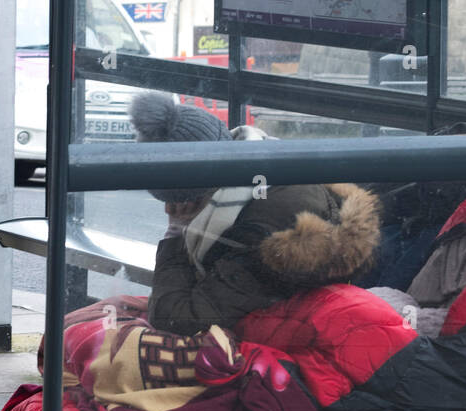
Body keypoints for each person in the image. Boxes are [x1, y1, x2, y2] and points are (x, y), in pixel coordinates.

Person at [129, 90, 382, 334]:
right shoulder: (269, 171)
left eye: (171, 204)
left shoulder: (256, 236)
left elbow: (176, 320)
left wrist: (175, 235)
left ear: (189, 200)